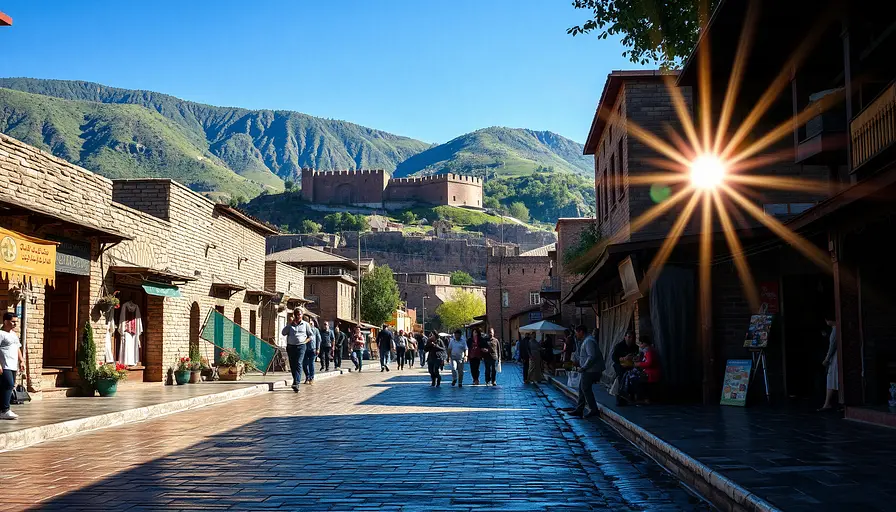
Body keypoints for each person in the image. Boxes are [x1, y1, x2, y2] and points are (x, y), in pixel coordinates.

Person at [565, 325, 603, 418]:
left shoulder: (589, 341)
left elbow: (591, 356)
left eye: (576, 332)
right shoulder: (585, 341)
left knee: (585, 388)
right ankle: (579, 409)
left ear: (581, 332)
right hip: (588, 369)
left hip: (591, 369)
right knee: (582, 388)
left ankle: (593, 409)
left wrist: (584, 367)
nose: (576, 335)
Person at [281, 308, 313, 392]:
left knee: (298, 363)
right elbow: (283, 333)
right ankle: (295, 380)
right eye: (296, 315)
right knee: (292, 365)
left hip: (301, 346)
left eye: (299, 314)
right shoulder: (290, 325)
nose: (298, 316)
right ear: (294, 315)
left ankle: (296, 383)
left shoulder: (306, 324)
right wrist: (289, 324)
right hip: (291, 347)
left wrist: (305, 341)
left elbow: (311, 336)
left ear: (302, 315)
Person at [1, 312, 26, 420]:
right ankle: (5, 410)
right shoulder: (1, 334)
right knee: (8, 385)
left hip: (13, 365)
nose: (15, 324)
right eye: (13, 321)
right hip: (4, 365)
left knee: (8, 386)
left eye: (16, 322)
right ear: (6, 321)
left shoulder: (13, 334)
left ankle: (3, 409)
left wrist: (21, 361)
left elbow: (17, 348)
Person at [819, 316, 841, 412]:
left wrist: (826, 359)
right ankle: (828, 403)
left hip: (835, 359)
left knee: (832, 379)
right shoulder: (836, 330)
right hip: (836, 358)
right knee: (833, 380)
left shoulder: (835, 330)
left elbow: (832, 347)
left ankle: (827, 403)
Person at [302, 316, 321, 384]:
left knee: (311, 364)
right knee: (304, 364)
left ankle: (311, 377)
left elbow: (319, 340)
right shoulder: (304, 329)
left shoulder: (315, 330)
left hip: (313, 349)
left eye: (311, 322)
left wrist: (318, 348)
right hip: (304, 349)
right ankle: (307, 376)